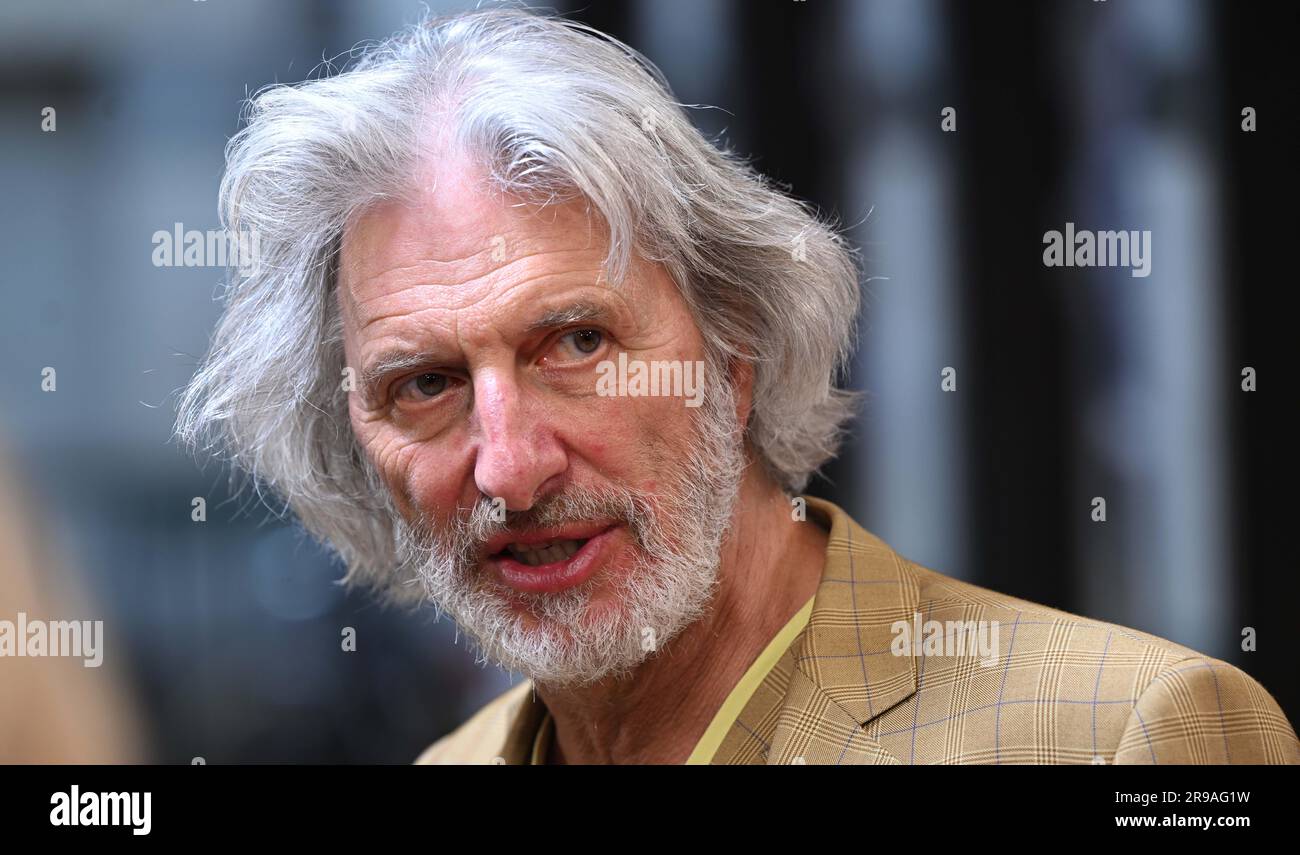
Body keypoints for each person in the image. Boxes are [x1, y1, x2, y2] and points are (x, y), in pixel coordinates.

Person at [175, 8, 1298, 764]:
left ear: (735, 346)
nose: (509, 468)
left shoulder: (1129, 739)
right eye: (424, 383)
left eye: (576, 345)